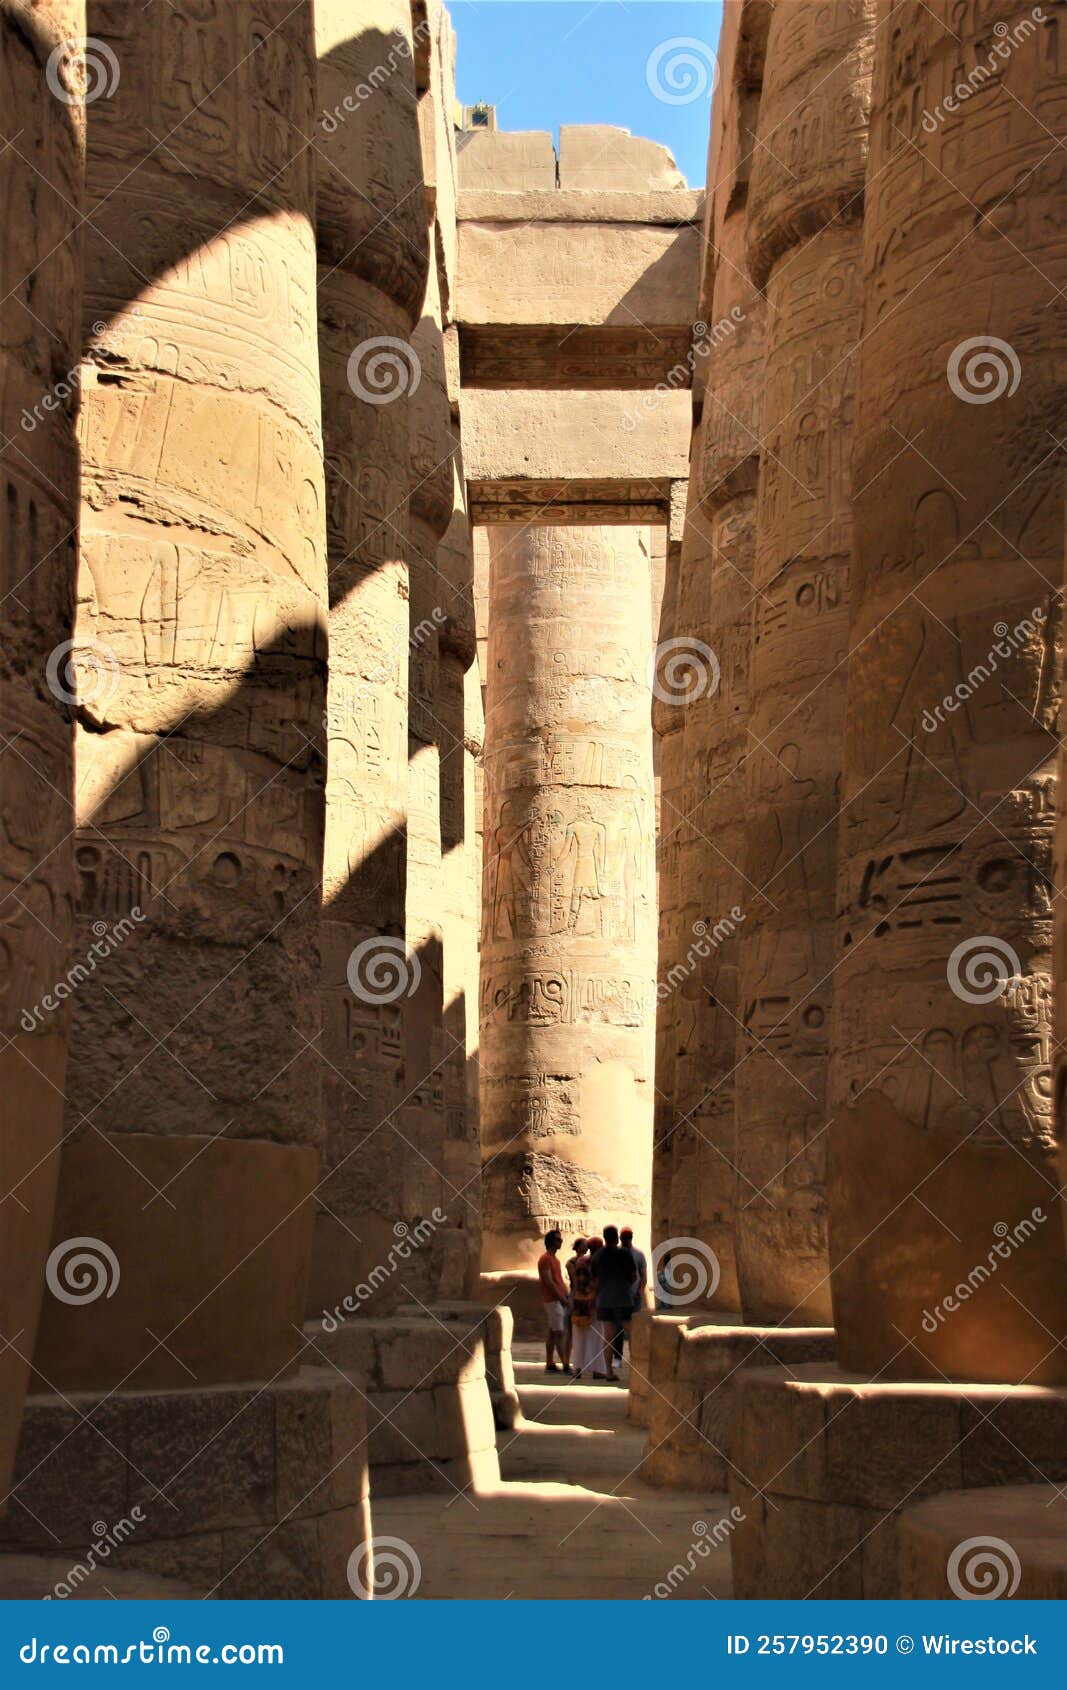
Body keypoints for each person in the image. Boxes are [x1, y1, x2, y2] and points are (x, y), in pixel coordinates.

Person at [590, 1224, 637, 1382]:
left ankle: (609, 1371)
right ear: (616, 1237)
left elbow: (594, 1280)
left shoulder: (597, 1256)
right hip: (624, 1297)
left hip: (605, 1299)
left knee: (608, 1336)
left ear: (604, 1238)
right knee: (631, 1334)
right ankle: (636, 1371)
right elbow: (633, 1276)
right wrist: (625, 1286)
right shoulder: (625, 1254)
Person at [537, 1228, 571, 1373]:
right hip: (553, 1300)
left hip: (557, 1299)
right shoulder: (545, 1259)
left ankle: (550, 1363)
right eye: (558, 1239)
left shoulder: (555, 1260)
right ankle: (565, 1364)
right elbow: (549, 1282)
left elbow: (557, 1281)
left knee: (552, 1332)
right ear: (551, 1242)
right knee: (559, 1333)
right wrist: (562, 1298)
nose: (561, 1241)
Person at [567, 1239, 599, 1379]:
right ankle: (597, 1370)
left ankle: (577, 1368)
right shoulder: (596, 1263)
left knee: (578, 1337)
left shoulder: (579, 1262)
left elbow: (576, 1282)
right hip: (593, 1302)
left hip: (579, 1300)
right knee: (596, 1337)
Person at [585, 1234, 607, 1378]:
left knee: (594, 1337)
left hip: (590, 1301)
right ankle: (598, 1370)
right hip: (597, 1302)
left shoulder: (586, 1261)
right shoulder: (597, 1262)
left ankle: (595, 1368)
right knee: (599, 1337)